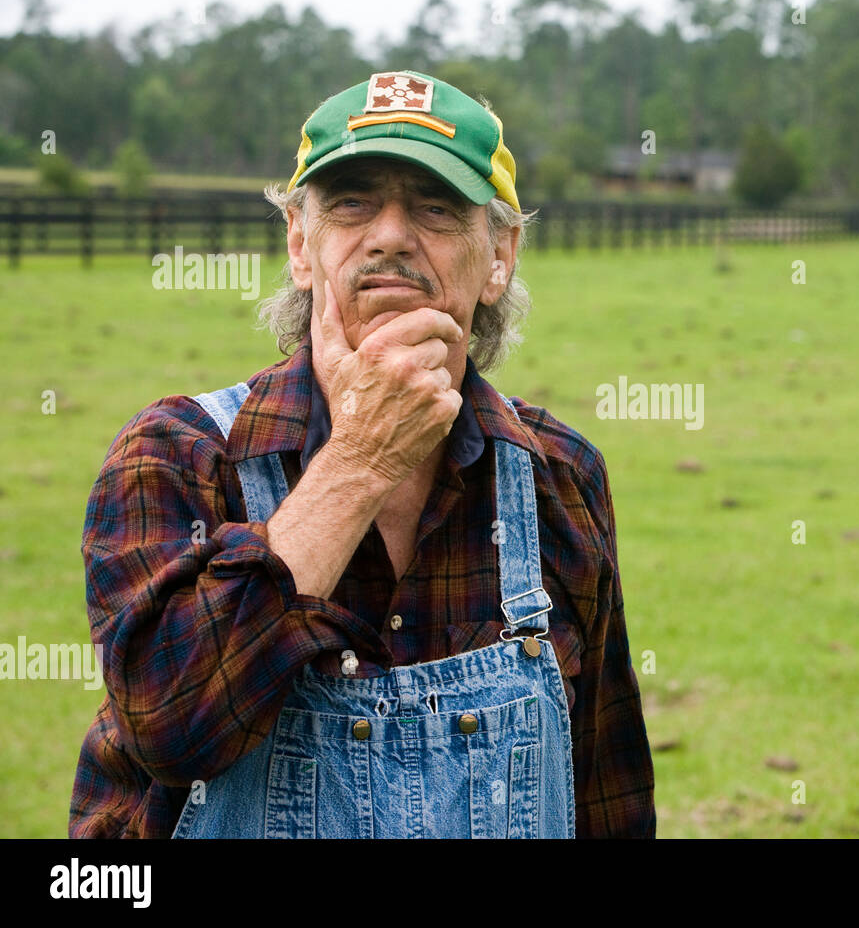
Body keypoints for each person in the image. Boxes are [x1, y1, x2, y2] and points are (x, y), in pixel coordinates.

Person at [69, 69, 656, 838]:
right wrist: (360, 462)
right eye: (351, 203)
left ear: (501, 253)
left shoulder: (560, 477)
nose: (388, 234)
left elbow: (607, 793)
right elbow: (167, 726)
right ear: (300, 246)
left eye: (435, 207)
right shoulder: (176, 459)